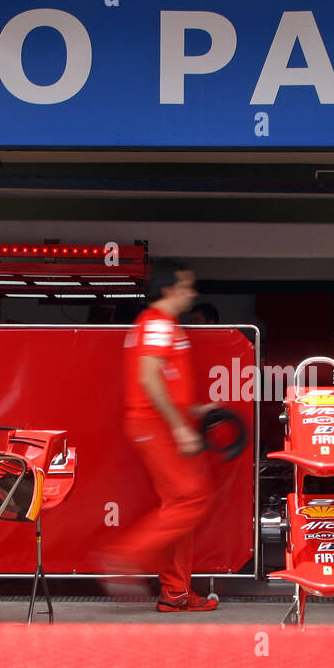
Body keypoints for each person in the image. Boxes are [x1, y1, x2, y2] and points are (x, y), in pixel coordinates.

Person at [107, 260, 217, 612]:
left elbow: (165, 380)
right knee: (190, 501)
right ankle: (123, 557)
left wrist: (192, 411)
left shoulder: (164, 325)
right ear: (169, 290)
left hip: (163, 424)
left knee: (182, 506)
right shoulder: (156, 324)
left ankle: (175, 592)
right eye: (187, 287)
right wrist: (181, 427)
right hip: (156, 427)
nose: (193, 293)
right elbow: (149, 379)